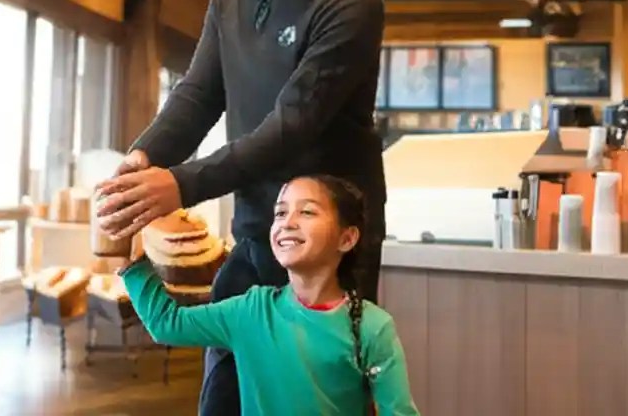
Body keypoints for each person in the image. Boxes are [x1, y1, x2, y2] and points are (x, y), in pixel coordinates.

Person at [94, 0, 388, 415]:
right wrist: (142, 160)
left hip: (329, 245)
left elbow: (292, 127)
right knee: (222, 401)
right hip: (257, 233)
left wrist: (180, 184)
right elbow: (199, 95)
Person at [118, 176, 418, 416]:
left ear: (347, 238)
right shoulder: (250, 311)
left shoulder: (373, 327)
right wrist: (131, 261)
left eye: (308, 211)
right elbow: (166, 323)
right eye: (280, 212)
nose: (287, 222)